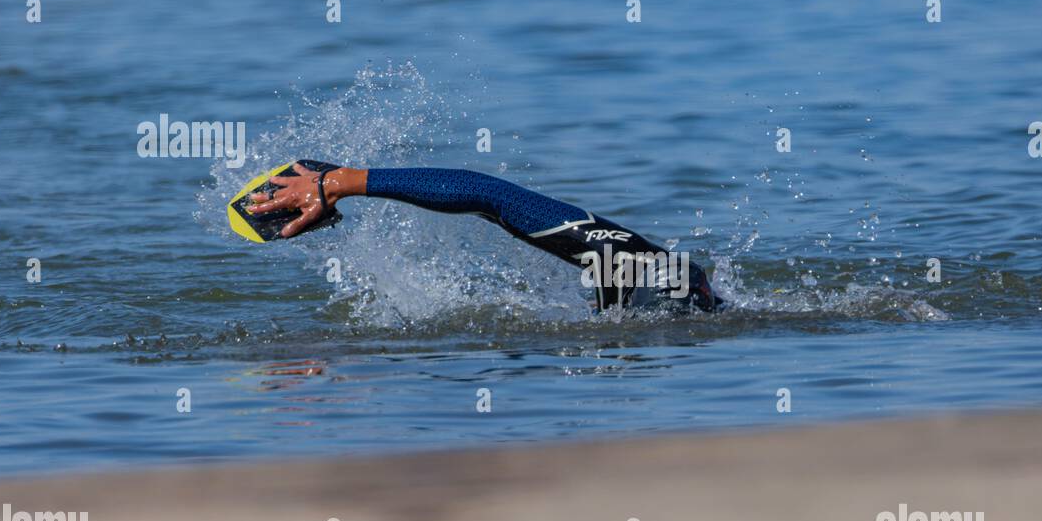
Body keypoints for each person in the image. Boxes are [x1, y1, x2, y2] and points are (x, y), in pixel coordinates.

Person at [247, 163, 724, 312]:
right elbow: (486, 194)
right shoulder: (620, 260)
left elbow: (489, 195)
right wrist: (341, 181)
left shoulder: (639, 281)